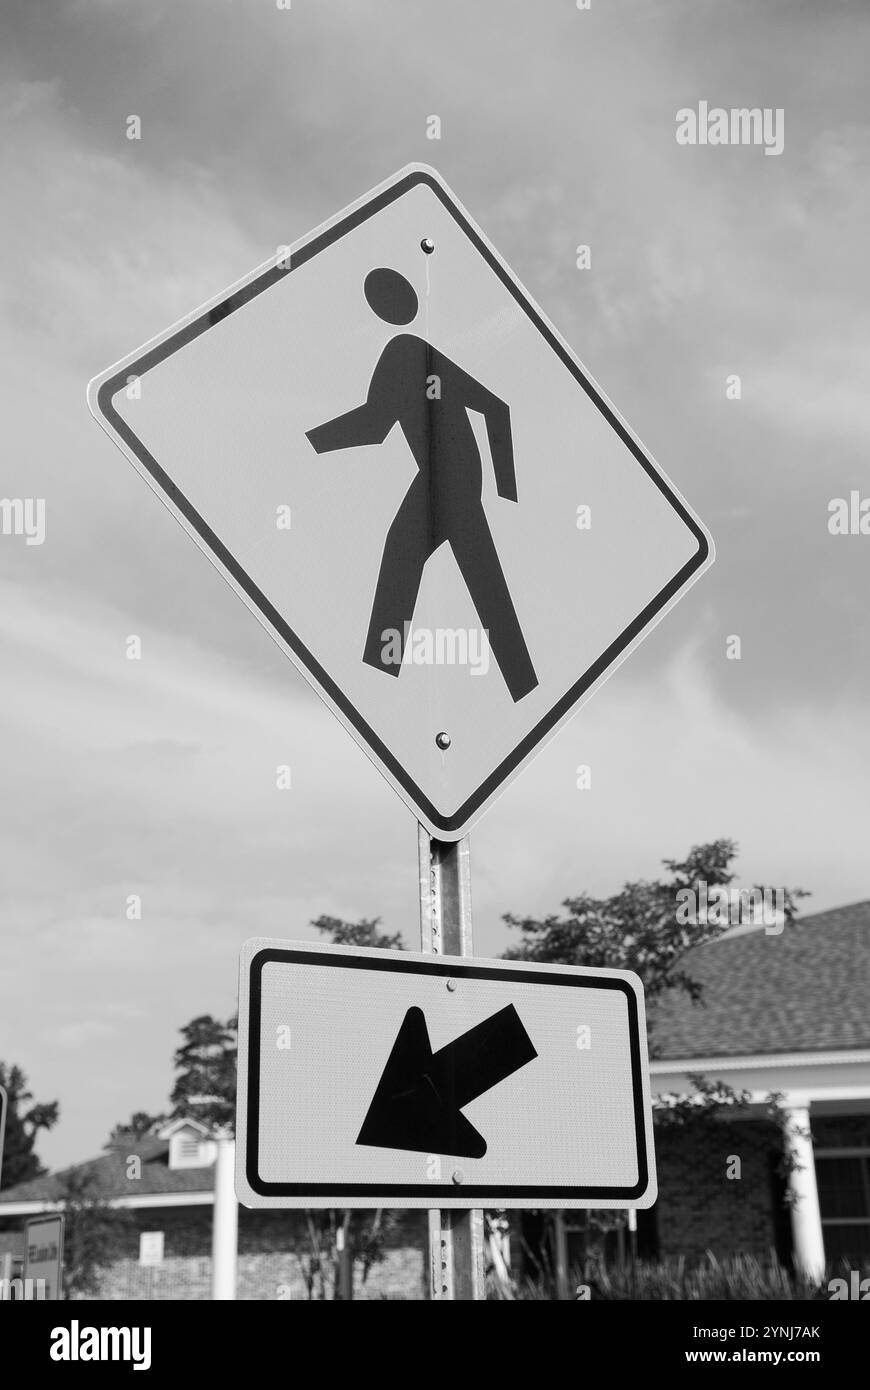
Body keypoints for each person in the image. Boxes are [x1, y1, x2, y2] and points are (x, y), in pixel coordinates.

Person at [306, 267, 538, 702]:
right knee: (479, 578)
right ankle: (523, 684)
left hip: (447, 477)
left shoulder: (407, 350)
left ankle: (380, 675)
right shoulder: (413, 351)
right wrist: (498, 487)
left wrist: (309, 444)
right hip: (455, 476)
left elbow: (492, 408)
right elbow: (380, 425)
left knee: (408, 556)